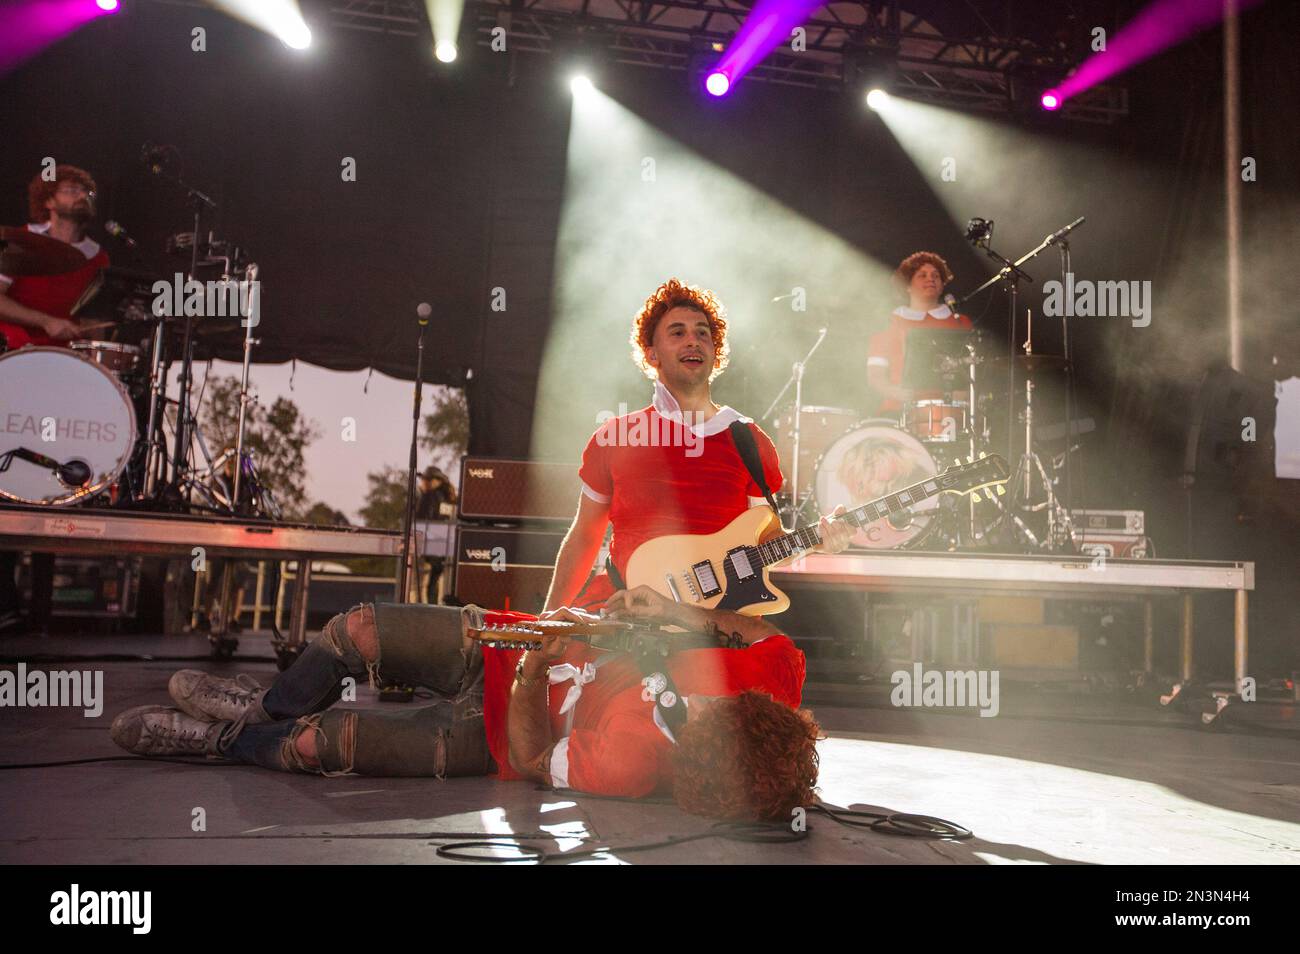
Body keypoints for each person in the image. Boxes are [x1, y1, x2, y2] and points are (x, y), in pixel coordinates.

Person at [110, 585, 821, 821]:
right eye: (715, 717)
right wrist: (671, 608)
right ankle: (262, 705)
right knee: (355, 629)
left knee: (317, 747)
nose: (695, 714)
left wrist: (538, 671)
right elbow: (771, 634)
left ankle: (224, 739)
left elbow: (536, 758)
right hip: (507, 642)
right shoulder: (771, 682)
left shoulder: (637, 766)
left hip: (496, 734)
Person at [545, 278, 852, 615]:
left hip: (713, 623)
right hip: (623, 611)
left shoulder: (749, 440)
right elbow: (585, 537)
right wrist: (548, 620)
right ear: (651, 353)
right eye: (677, 333)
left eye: (702, 333)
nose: (693, 341)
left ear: (715, 352)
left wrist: (819, 541)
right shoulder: (616, 435)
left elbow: (768, 542)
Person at [0, 164, 108, 349]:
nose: (82, 196)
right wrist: (46, 322)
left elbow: (92, 323)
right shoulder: (19, 241)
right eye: (72, 190)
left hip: (64, 358)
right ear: (48, 201)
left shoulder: (98, 257)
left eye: (87, 193)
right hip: (11, 349)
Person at [866, 251, 974, 417]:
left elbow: (974, 368)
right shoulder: (889, 323)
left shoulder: (961, 322)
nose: (930, 279)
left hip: (953, 412)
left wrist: (966, 392)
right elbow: (875, 377)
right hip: (899, 411)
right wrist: (897, 393)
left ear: (942, 283)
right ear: (907, 286)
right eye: (922, 275)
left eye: (936, 275)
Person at [414, 465, 457, 602]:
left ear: (433, 481)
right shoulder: (450, 499)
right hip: (446, 549)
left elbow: (421, 519)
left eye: (425, 480)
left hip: (429, 547)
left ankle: (423, 612)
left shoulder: (430, 496)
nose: (422, 483)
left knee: (421, 585)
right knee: (438, 583)